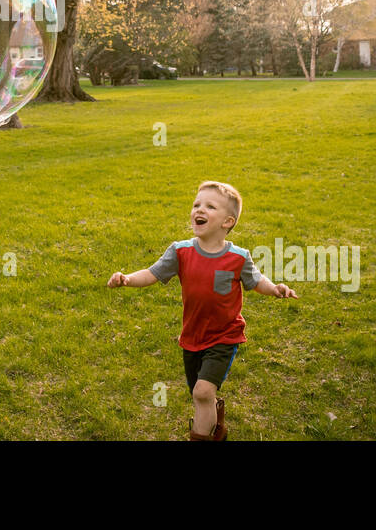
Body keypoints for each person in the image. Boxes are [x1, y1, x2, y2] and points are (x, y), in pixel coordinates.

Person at [108, 180, 298, 440]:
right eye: (197, 204)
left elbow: (256, 281)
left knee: (203, 392)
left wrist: (275, 288)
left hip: (224, 336)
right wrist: (127, 279)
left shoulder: (238, 257)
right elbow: (152, 274)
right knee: (197, 394)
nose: (199, 209)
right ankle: (215, 428)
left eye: (210, 206)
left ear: (227, 222)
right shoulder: (180, 251)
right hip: (192, 336)